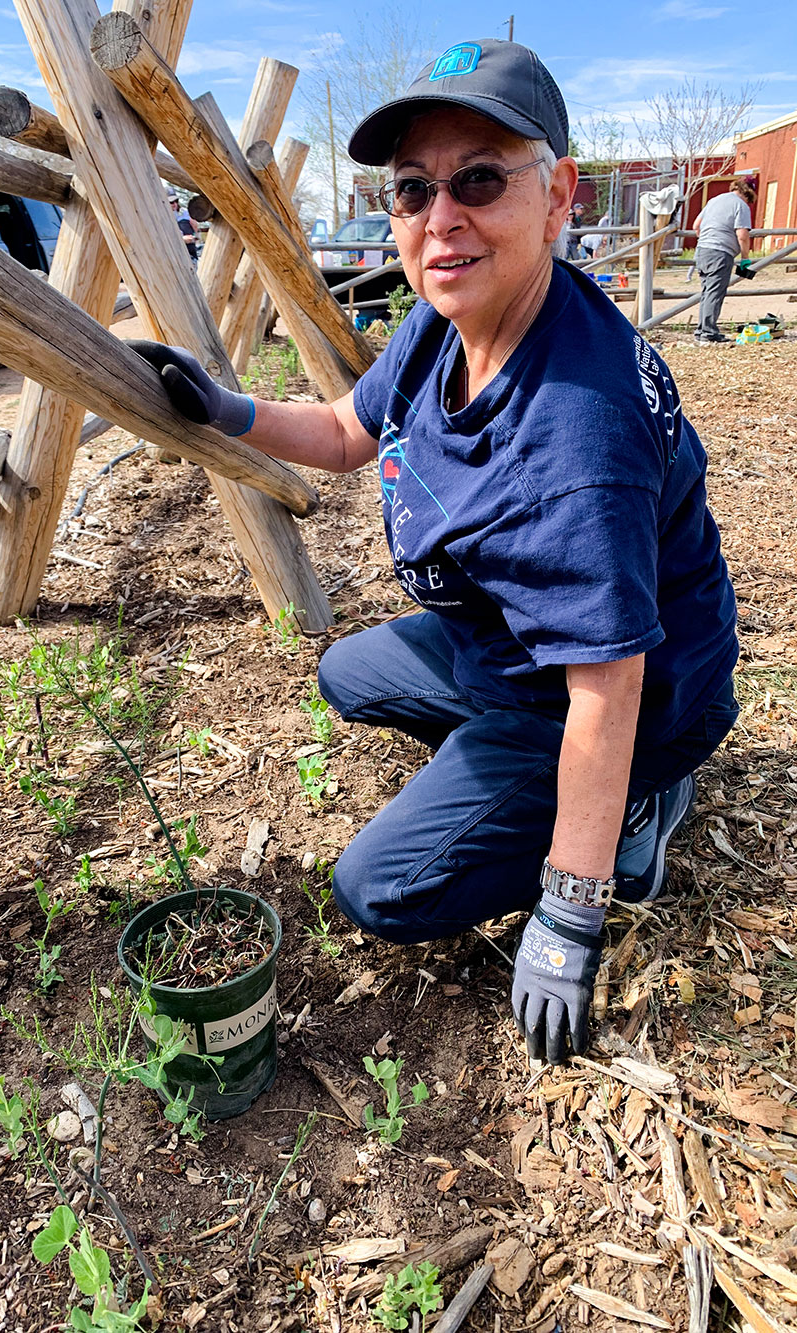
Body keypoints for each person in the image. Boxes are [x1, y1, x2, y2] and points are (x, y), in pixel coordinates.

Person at [130, 38, 739, 1066]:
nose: (439, 217)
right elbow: (340, 432)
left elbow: (608, 684)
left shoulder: (575, 438)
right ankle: (531, 779)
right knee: (345, 670)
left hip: (621, 694)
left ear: (557, 198)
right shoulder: (442, 321)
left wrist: (570, 913)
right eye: (413, 191)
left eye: (479, 180)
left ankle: (634, 810)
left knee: (383, 887)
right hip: (507, 646)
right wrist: (228, 409)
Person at [692, 180, 755, 342]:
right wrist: (745, 258)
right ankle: (708, 332)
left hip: (702, 250)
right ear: (748, 194)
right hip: (720, 253)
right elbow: (742, 235)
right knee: (715, 293)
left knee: (707, 291)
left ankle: (702, 330)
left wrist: (707, 239)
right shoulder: (741, 206)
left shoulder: (714, 200)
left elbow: (696, 226)